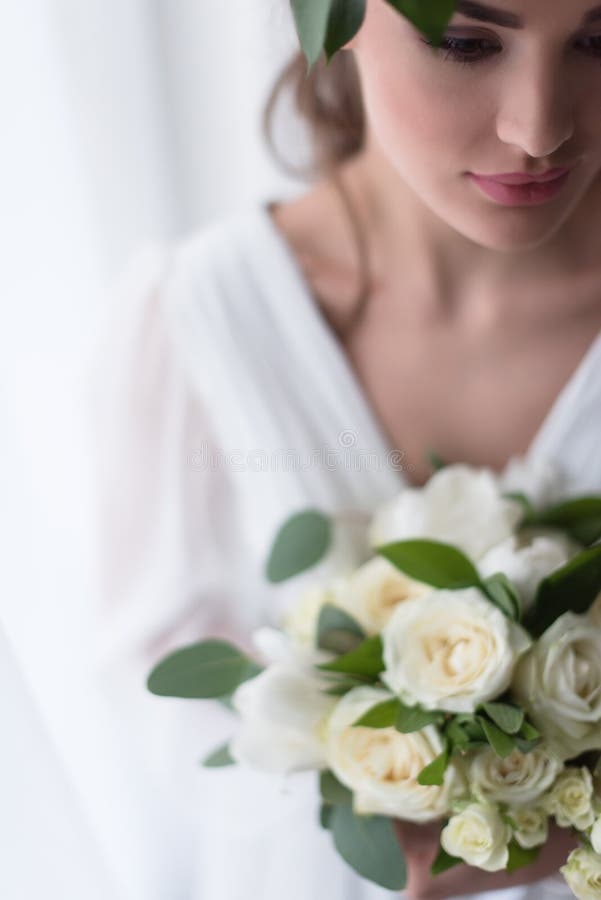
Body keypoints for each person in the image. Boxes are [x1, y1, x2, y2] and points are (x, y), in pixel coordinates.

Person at [90, 0, 601, 898]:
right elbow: (150, 690)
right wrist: (343, 785)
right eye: (465, 42)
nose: (539, 127)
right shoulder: (201, 320)